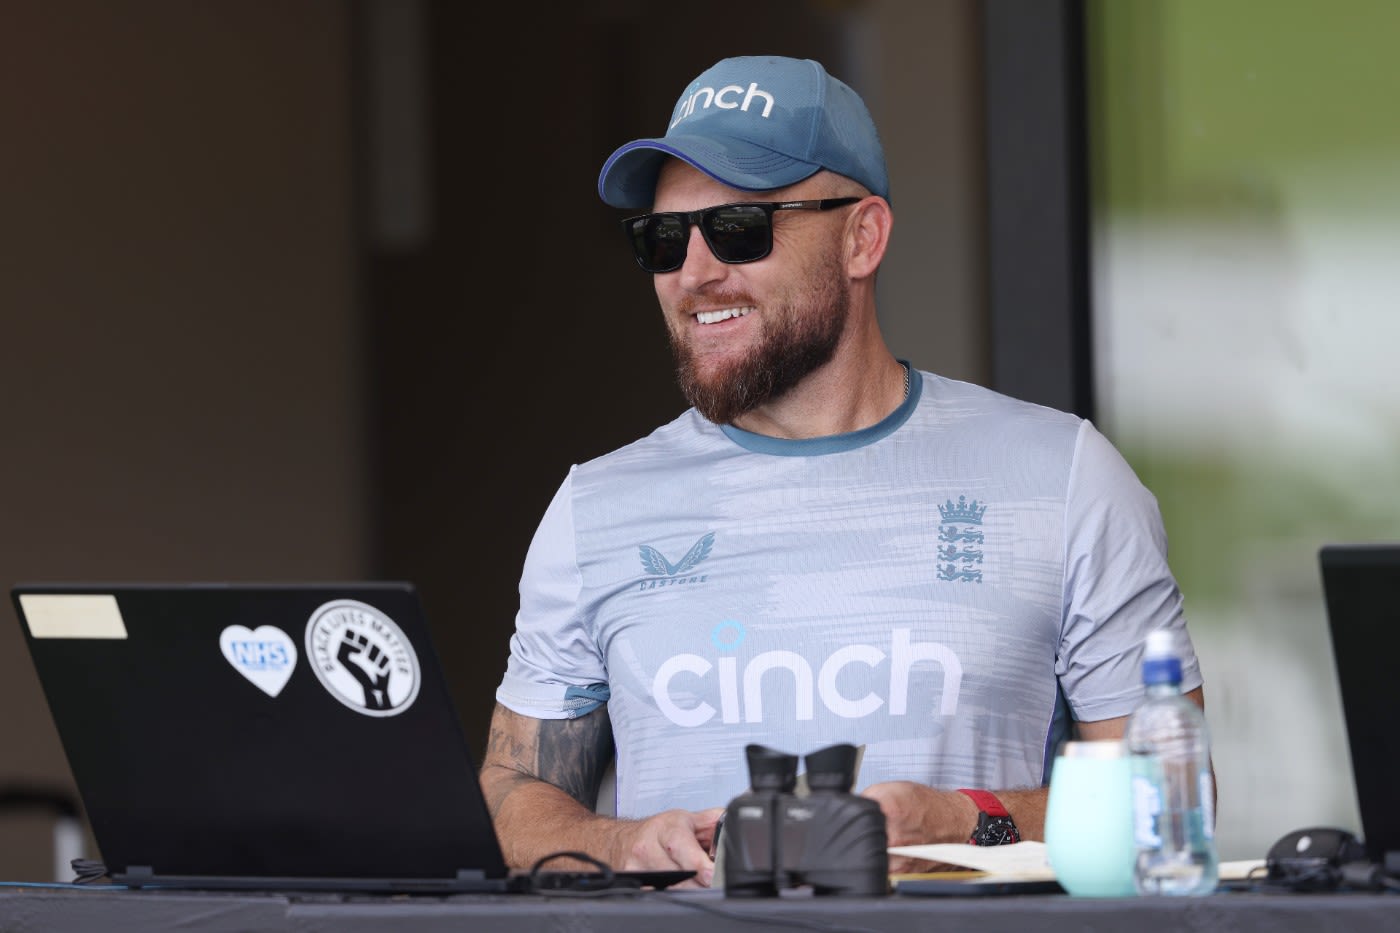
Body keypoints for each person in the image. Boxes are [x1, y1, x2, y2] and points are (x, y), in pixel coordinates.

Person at [480, 55, 1206, 886]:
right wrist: (624, 842)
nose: (694, 273)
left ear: (863, 237)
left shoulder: (1064, 474)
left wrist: (963, 819)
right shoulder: (595, 507)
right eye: (664, 238)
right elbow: (511, 793)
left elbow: (1176, 801)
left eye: (739, 230)